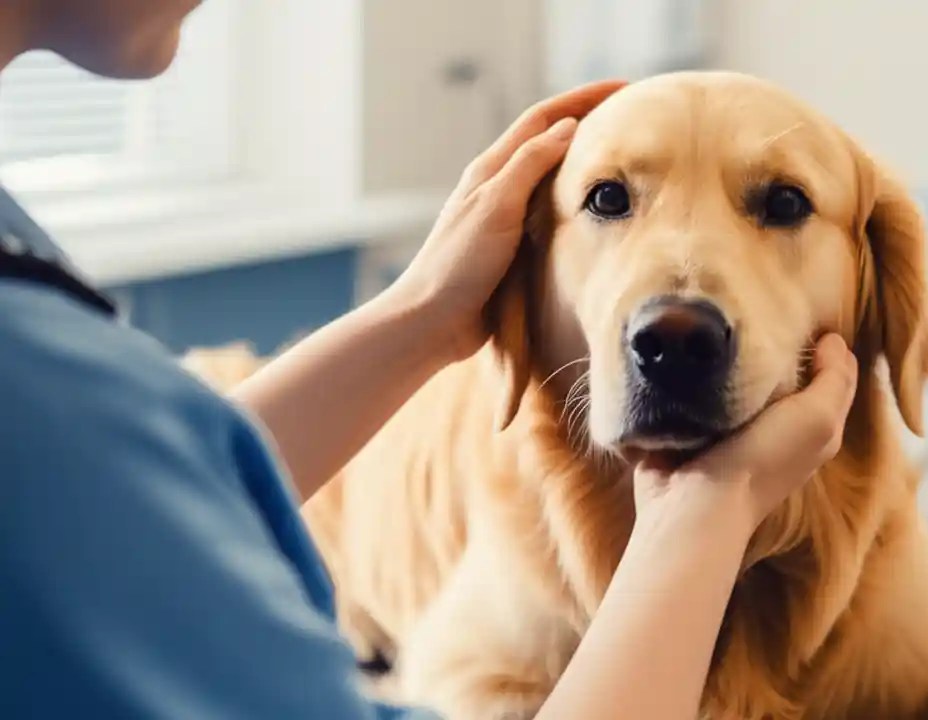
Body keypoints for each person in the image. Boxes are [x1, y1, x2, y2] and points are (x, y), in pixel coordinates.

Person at [0, 2, 860, 718]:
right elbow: (89, 491)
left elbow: (131, 504)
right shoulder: (35, 378)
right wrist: (711, 507)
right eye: (608, 200)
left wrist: (426, 315)